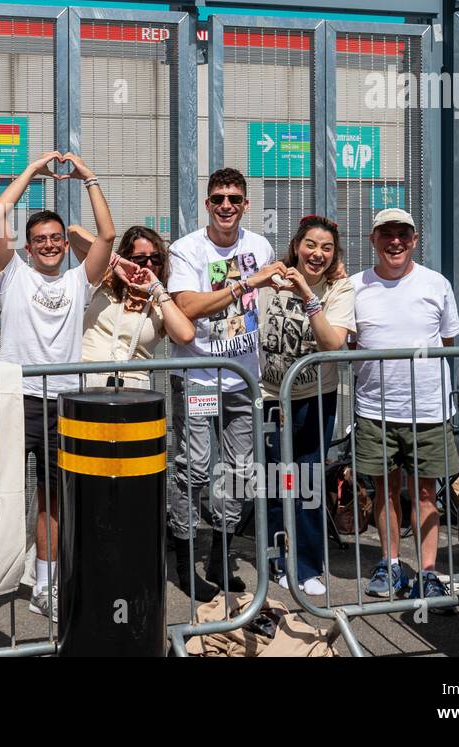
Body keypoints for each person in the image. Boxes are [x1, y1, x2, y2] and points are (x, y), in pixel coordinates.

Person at [0, 149, 117, 624]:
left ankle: (45, 584)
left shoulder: (81, 281)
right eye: (39, 238)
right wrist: (33, 171)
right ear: (27, 246)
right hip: (13, 401)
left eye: (55, 239)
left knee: (51, 499)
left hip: (61, 404)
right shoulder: (11, 274)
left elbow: (105, 235)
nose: (47, 244)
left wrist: (87, 175)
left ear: (65, 244)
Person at [168, 168, 289, 600]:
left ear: (245, 205)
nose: (226, 206)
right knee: (195, 468)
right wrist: (245, 284)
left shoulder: (259, 246)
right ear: (207, 204)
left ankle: (220, 555)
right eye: (218, 198)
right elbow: (187, 306)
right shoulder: (186, 250)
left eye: (234, 199)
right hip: (199, 377)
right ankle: (183, 557)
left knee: (239, 473)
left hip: (244, 380)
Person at [350, 208, 459, 609]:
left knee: (427, 493)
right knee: (385, 490)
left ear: (414, 240)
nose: (394, 241)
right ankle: (390, 562)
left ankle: (428, 572)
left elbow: (450, 344)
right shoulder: (355, 286)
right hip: (375, 409)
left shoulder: (436, 284)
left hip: (428, 410)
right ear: (373, 239)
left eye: (403, 234)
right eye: (386, 234)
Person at [258, 215, 356, 597]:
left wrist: (308, 296)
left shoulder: (339, 288)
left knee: (308, 481)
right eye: (311, 245)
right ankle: (275, 560)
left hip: (315, 397)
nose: (317, 254)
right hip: (268, 397)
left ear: (335, 255)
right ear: (297, 245)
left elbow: (333, 344)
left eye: (327, 248)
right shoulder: (271, 278)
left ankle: (308, 565)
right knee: (272, 483)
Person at [70, 224, 196, 389]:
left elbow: (186, 335)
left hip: (134, 386)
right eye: (141, 259)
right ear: (128, 258)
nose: (149, 264)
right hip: (88, 378)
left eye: (156, 258)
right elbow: (73, 233)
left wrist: (157, 289)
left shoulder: (162, 302)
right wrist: (114, 261)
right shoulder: (105, 278)